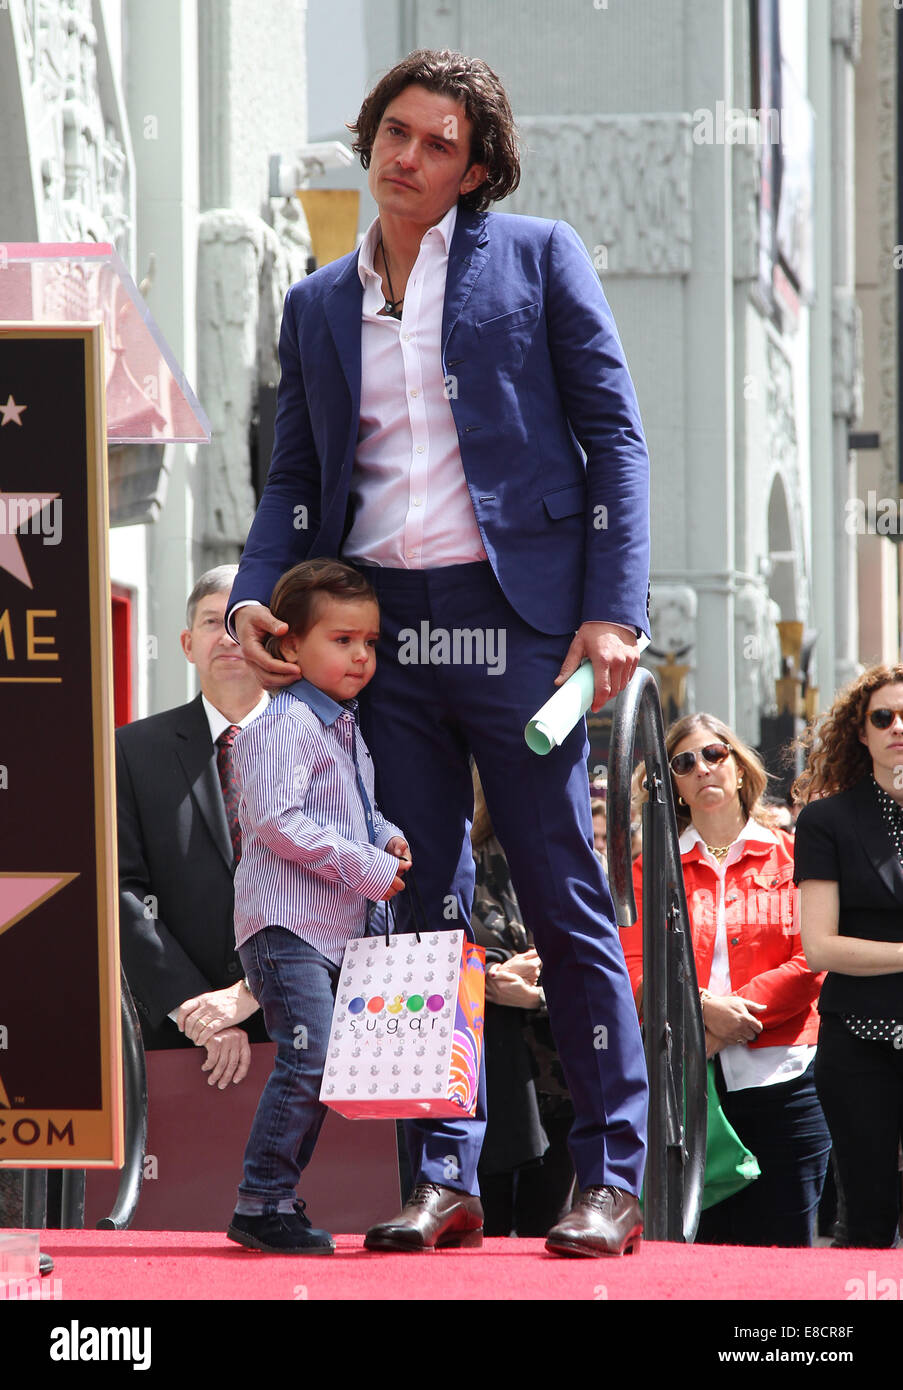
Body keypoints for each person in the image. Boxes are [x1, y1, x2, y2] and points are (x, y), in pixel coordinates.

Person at [228, 48, 650, 1257]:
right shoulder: (315, 302)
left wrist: (611, 610)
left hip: (519, 623)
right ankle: (442, 1176)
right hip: (379, 634)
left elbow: (615, 438)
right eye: (395, 134)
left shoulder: (539, 258)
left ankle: (609, 1175)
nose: (408, 159)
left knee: (564, 893)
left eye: (438, 145)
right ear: (370, 138)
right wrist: (263, 598)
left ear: (476, 168)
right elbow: (296, 479)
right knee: (409, 904)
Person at [227, 559, 411, 1255]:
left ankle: (272, 1199)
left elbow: (348, 810)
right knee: (310, 1057)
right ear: (288, 647)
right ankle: (261, 1201)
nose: (360, 655)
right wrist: (368, 866)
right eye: (341, 640)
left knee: (319, 1061)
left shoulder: (339, 725)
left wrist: (385, 836)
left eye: (368, 641)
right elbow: (277, 821)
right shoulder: (286, 722)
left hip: (321, 929)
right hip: (284, 926)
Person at [621, 713, 830, 1246]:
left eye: (715, 754)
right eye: (684, 763)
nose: (702, 769)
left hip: (785, 1084)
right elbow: (634, 969)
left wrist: (728, 1015)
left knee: (787, 1263)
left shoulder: (793, 855)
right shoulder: (652, 871)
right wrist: (702, 1012)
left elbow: (811, 961)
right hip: (689, 1093)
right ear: (674, 786)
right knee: (697, 1261)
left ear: (740, 769)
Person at [116, 566, 269, 1084]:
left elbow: (338, 889)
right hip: (176, 1039)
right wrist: (196, 1010)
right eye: (211, 622)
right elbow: (122, 891)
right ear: (186, 643)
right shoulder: (131, 752)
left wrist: (249, 993)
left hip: (302, 1028)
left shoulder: (323, 743)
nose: (227, 637)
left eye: (241, 623)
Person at [793, 664, 903, 1247]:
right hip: (859, 1040)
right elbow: (819, 947)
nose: (897, 727)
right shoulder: (826, 820)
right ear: (861, 733)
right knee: (866, 1218)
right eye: (882, 717)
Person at [470, 766, 575, 1236]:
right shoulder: (446, 860)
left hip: (558, 1076)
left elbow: (599, 967)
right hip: (480, 1081)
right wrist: (485, 979)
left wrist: (535, 997)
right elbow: (412, 952)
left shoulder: (558, 858)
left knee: (544, 1237)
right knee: (477, 1234)